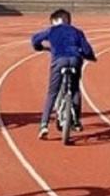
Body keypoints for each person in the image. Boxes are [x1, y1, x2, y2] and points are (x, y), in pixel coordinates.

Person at [31, 9, 96, 140]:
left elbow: (34, 39)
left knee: (52, 93)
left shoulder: (52, 30)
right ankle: (76, 122)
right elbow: (87, 50)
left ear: (54, 20)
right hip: (75, 60)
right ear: (68, 20)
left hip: (59, 61)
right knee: (75, 89)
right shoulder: (77, 31)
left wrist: (39, 47)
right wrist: (90, 57)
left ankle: (44, 125)